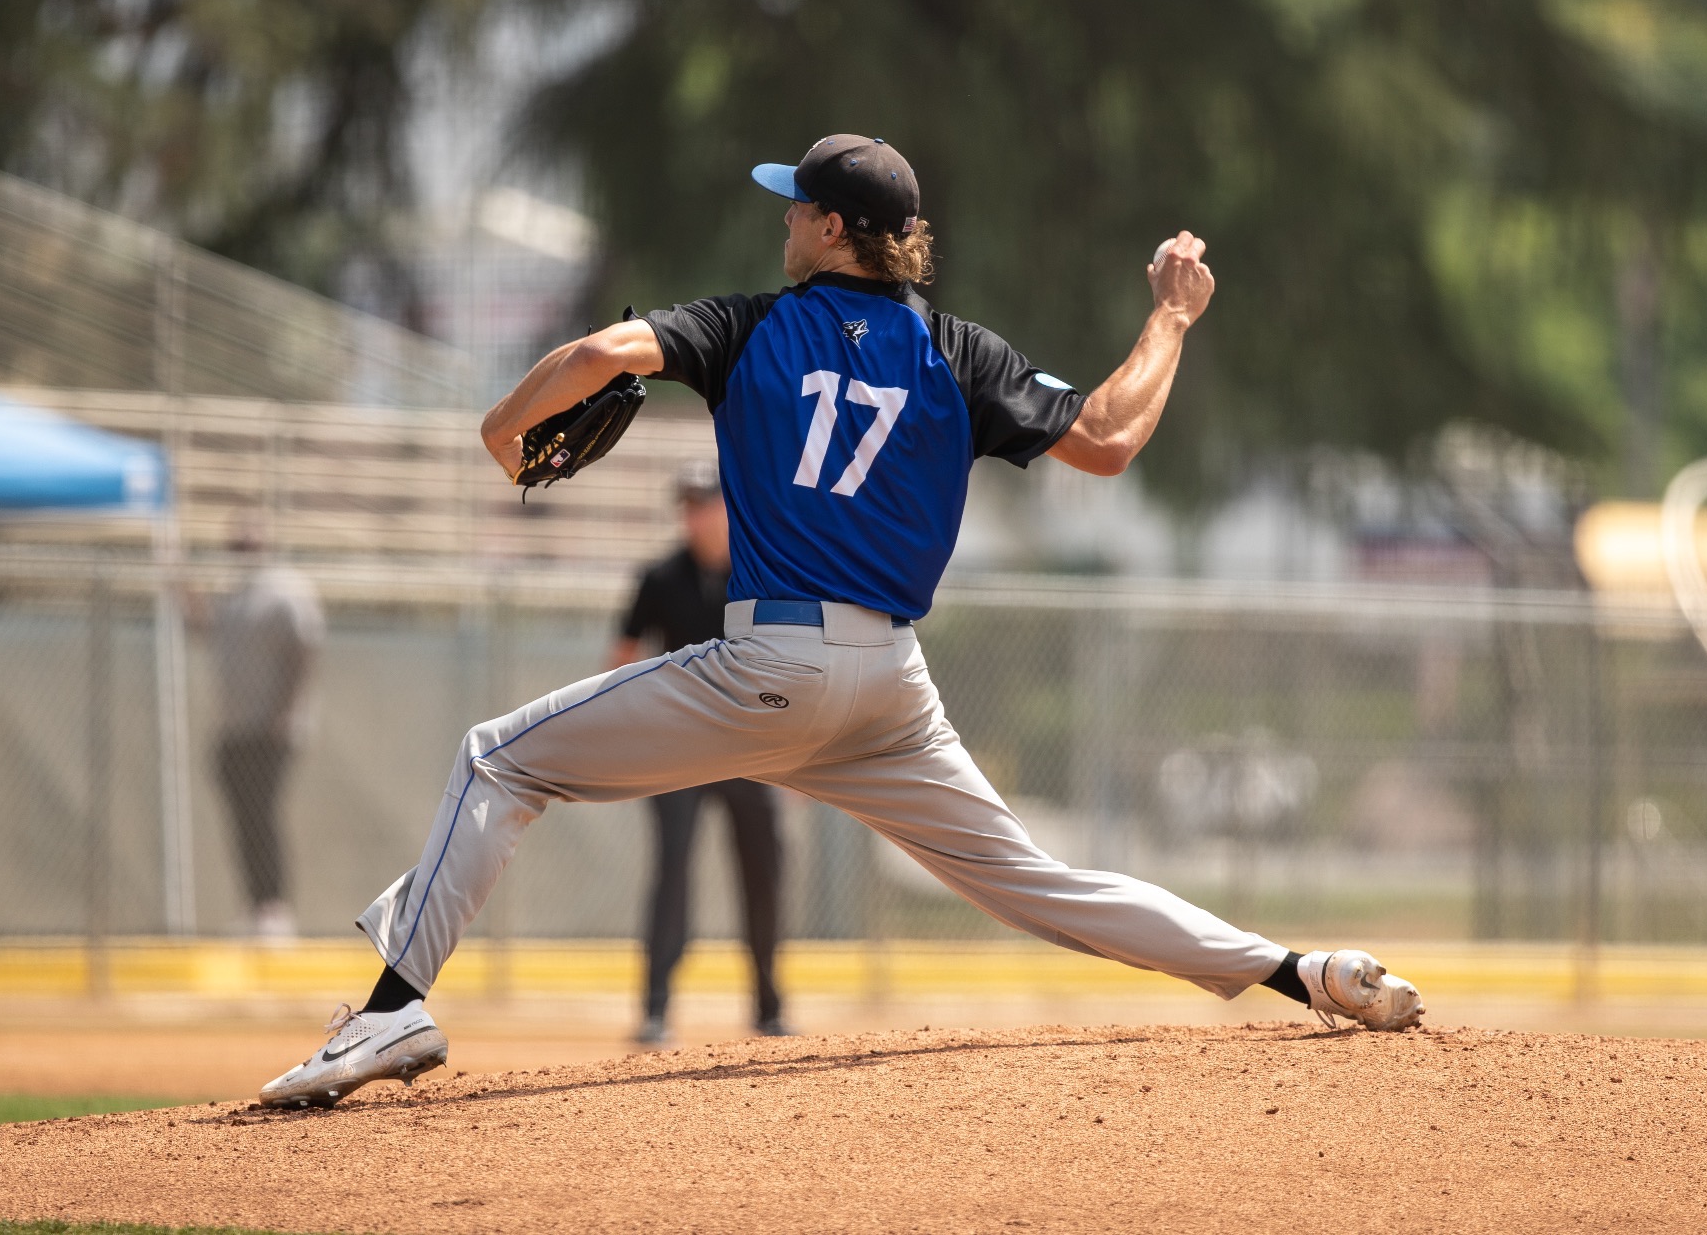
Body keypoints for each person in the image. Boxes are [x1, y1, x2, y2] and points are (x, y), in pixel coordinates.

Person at [261, 133, 1423, 1108]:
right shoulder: (957, 352)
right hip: (889, 690)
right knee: (1040, 883)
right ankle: (1302, 972)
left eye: (794, 206)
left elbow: (601, 353)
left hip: (768, 665)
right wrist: (1168, 317)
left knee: (495, 760)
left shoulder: (749, 325)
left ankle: (391, 1011)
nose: (782, 220)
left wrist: (500, 431)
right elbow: (1109, 438)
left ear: (828, 228)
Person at [613, 461, 786, 1045]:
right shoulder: (660, 577)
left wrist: (793, 754)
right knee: (672, 874)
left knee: (763, 874)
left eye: (703, 504)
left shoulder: (760, 572)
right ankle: (655, 1011)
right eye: (687, 506)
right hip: (679, 751)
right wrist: (632, 731)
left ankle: (769, 1007)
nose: (694, 516)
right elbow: (622, 656)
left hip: (749, 749)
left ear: (727, 508)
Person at [207, 513, 324, 941]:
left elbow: (305, 648)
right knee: (242, 816)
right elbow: (206, 630)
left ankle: (274, 907)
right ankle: (254, 903)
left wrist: (284, 712)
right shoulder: (234, 594)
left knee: (262, 812)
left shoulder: (285, 591)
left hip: (270, 727)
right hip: (234, 725)